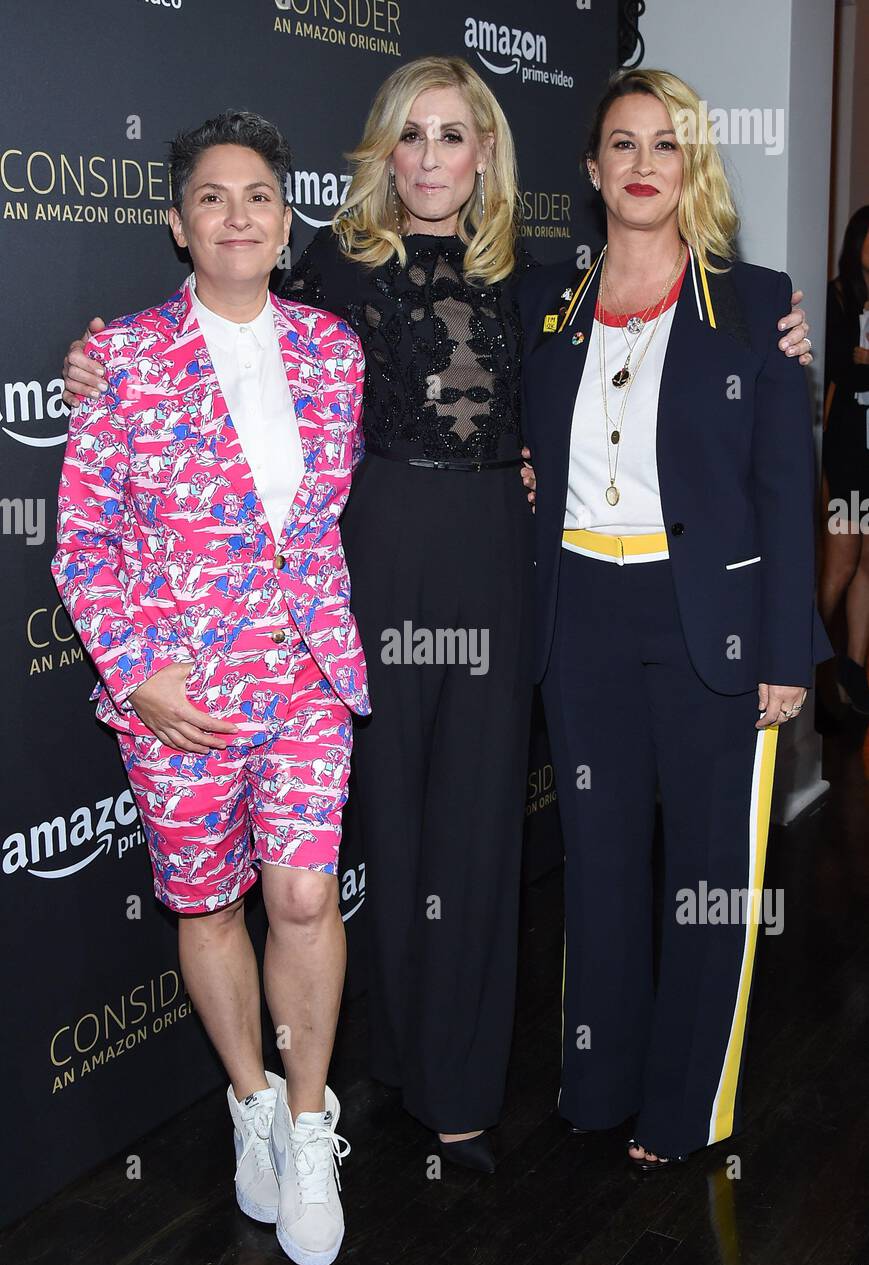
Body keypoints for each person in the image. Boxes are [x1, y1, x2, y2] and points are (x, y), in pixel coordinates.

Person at [60, 59, 813, 1177]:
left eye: (453, 135)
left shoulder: (540, 279)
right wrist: (93, 366)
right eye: (410, 135)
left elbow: (647, 398)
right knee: (393, 832)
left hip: (499, 575)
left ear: (485, 154)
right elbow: (234, 336)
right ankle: (396, 1070)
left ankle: (465, 1087)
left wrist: (780, 334)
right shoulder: (329, 268)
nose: (428, 157)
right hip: (369, 569)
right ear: (383, 151)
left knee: (476, 832)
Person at [52, 111, 366, 1265]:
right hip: (176, 696)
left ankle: (309, 1116)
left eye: (260, 198)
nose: (240, 215)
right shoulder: (122, 356)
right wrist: (139, 676)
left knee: (300, 895)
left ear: (287, 221)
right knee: (206, 906)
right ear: (178, 224)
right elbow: (81, 542)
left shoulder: (334, 349)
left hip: (304, 675)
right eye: (215, 198)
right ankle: (249, 1106)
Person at [518, 68, 831, 1171]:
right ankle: (596, 1083)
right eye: (621, 144)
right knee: (599, 861)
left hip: (714, 623)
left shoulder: (753, 302)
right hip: (580, 613)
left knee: (706, 878)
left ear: (689, 165)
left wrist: (788, 650)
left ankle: (684, 1105)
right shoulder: (541, 299)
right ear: (592, 169)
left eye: (665, 144)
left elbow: (788, 490)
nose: (642, 163)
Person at [817, 206, 869, 714]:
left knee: (867, 565)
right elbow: (827, 386)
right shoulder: (837, 297)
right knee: (840, 564)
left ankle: (853, 674)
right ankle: (809, 657)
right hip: (848, 453)